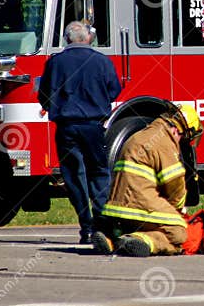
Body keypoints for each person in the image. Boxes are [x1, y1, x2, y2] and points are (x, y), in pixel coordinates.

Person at [38, 21, 122, 244]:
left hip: (65, 127)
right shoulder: (102, 61)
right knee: (99, 172)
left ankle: (85, 226)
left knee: (74, 176)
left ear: (67, 39)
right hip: (93, 126)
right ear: (88, 38)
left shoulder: (55, 63)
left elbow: (43, 94)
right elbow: (114, 89)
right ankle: (102, 223)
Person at [92, 104, 203, 257]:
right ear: (177, 130)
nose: (180, 142)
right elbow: (175, 186)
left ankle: (111, 239)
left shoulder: (139, 135)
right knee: (179, 234)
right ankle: (143, 240)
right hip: (138, 205)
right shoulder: (164, 142)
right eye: (183, 138)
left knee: (148, 223)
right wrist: (178, 209)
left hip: (115, 209)